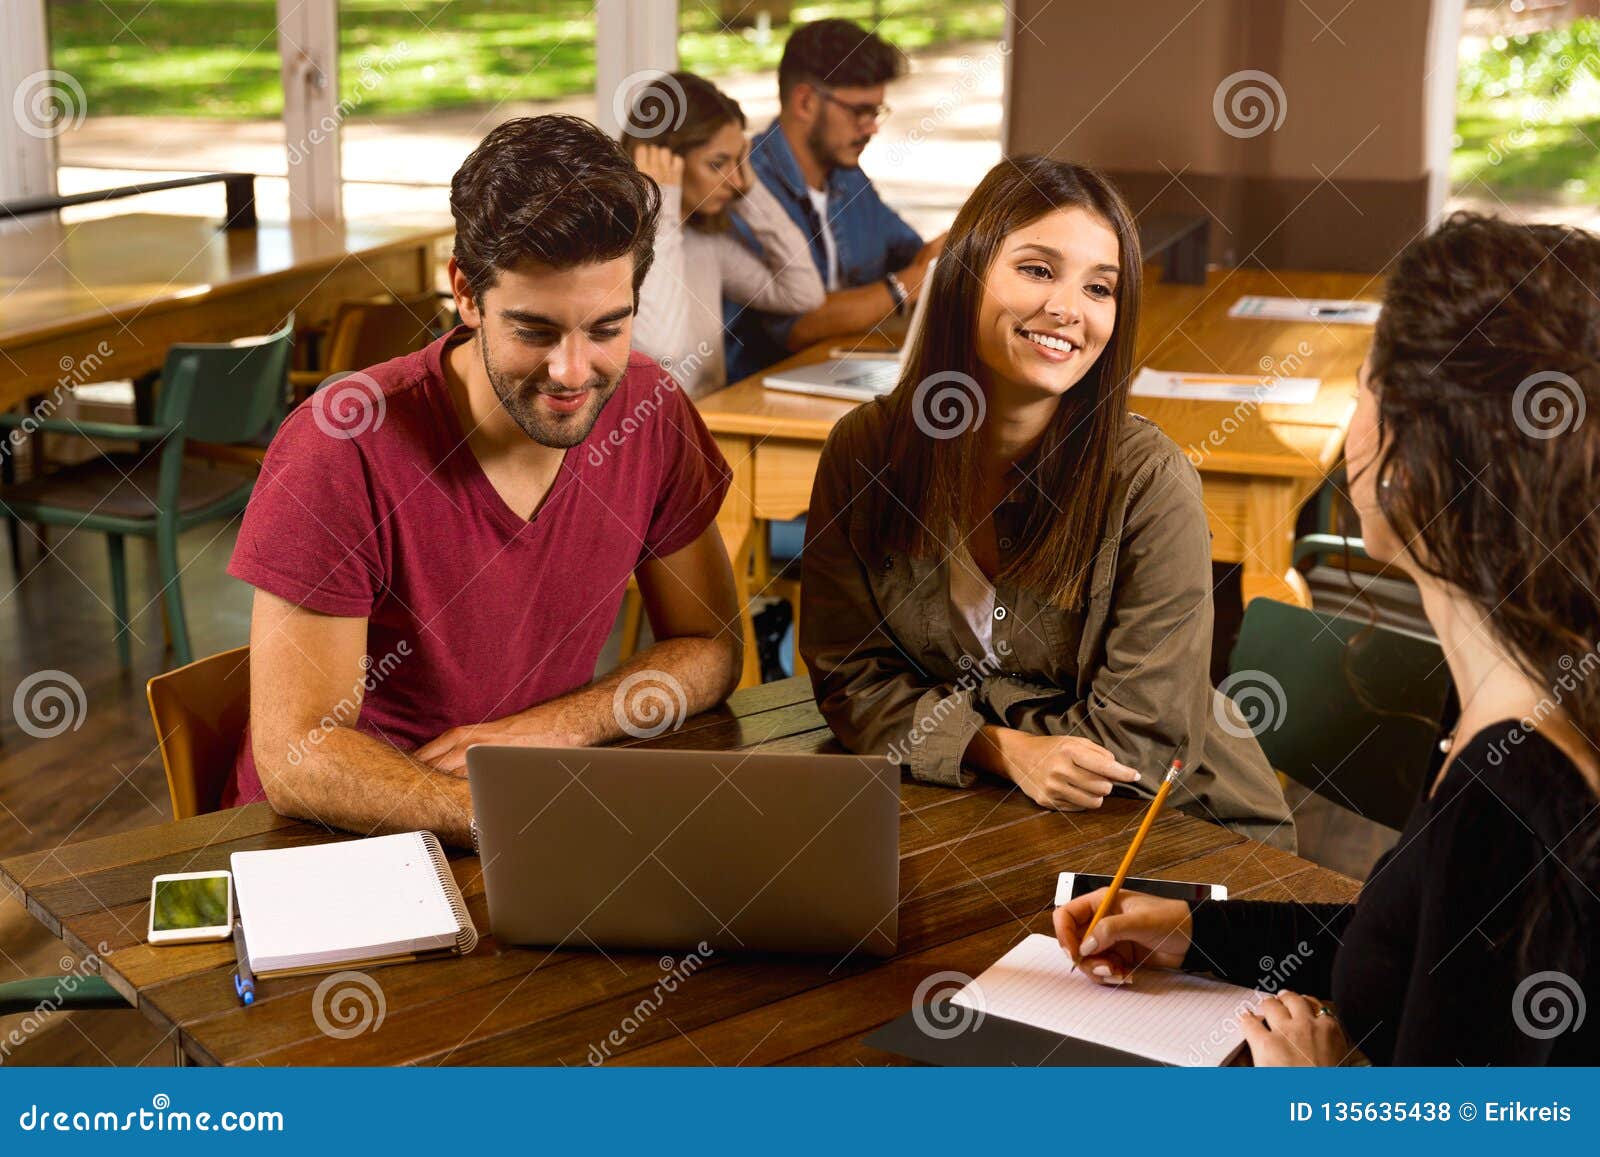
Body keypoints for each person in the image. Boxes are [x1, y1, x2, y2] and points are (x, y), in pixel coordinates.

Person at [1055, 213, 1600, 1066]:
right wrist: (1198, 932)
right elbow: (1416, 942)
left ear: (1414, 461)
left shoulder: (1511, 803)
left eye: (1364, 389)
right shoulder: (1533, 705)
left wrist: (1316, 1096)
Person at [229, 115, 743, 848]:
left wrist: (553, 732)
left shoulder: (651, 412)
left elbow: (711, 645)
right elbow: (295, 755)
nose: (573, 372)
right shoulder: (339, 446)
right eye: (535, 330)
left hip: (520, 814)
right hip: (332, 844)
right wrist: (502, 813)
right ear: (467, 295)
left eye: (606, 328)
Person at [799, 155, 1293, 850]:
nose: (1068, 308)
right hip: (978, 816)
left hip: (1178, 834)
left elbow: (1132, 750)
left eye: (1100, 287)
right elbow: (849, 681)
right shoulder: (864, 452)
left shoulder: (1150, 483)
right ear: (964, 272)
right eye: (1037, 270)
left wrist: (951, 727)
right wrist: (999, 748)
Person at [723, 17, 946, 382]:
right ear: (807, 102)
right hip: (755, 401)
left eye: (876, 112)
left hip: (838, 375)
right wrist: (906, 284)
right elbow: (796, 326)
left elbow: (914, 256)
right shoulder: (746, 186)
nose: (872, 127)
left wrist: (943, 254)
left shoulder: (847, 177)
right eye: (860, 111)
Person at [624, 72, 824, 398]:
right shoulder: (614, 251)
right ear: (665, 159)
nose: (736, 181)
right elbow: (663, 350)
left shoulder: (707, 244)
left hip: (712, 427)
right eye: (718, 164)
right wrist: (659, 203)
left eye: (738, 162)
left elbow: (803, 292)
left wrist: (752, 193)